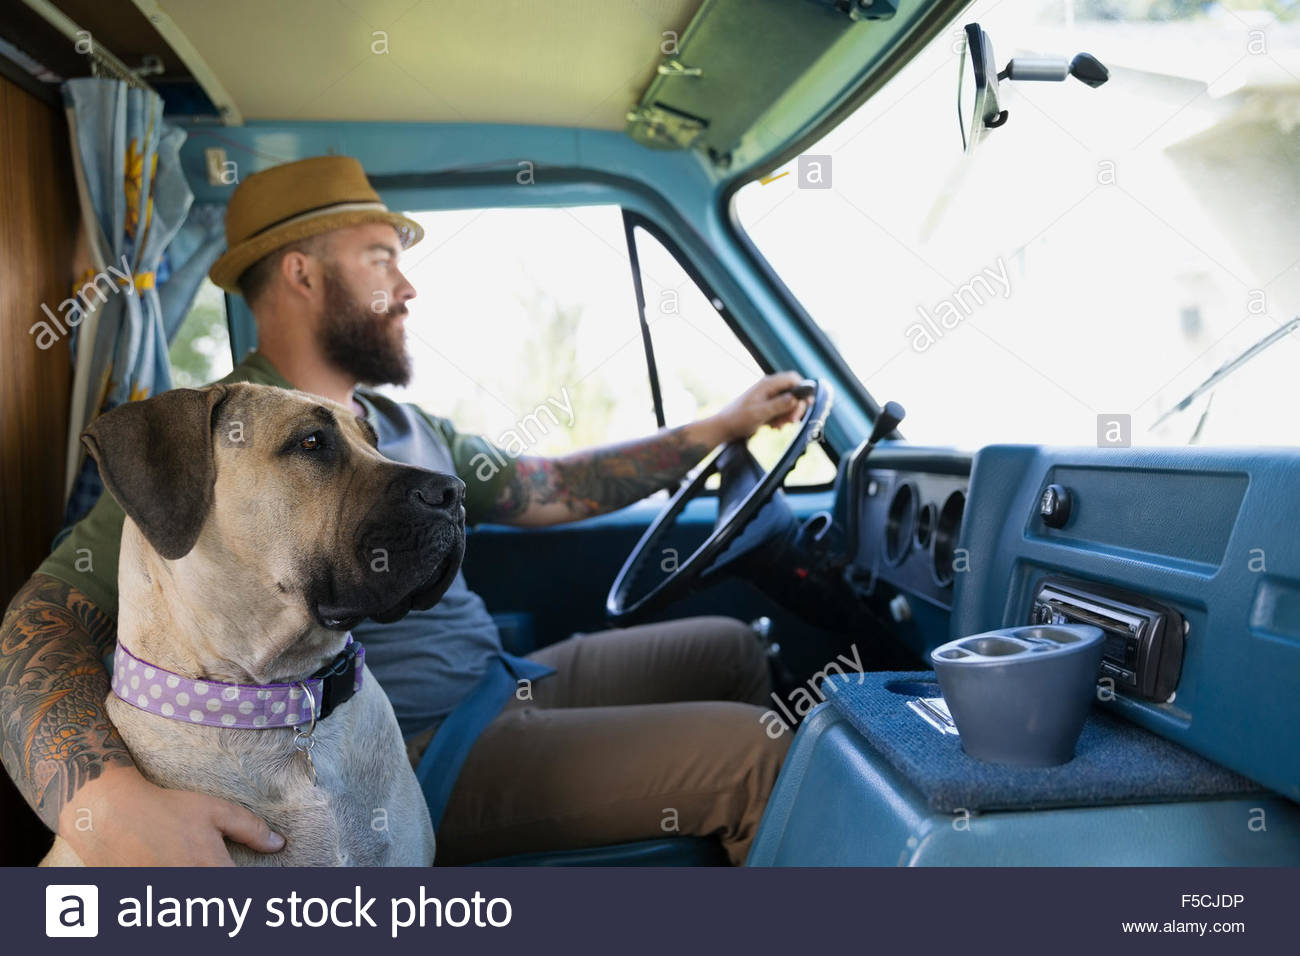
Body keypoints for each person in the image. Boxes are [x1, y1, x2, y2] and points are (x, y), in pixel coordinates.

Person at [0, 156, 805, 866]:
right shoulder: (215, 445)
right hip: (416, 748)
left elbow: (550, 485)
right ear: (302, 275)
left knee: (734, 649)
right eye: (382, 257)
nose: (409, 284)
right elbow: (37, 629)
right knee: (755, 757)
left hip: (501, 681)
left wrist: (717, 428)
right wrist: (105, 806)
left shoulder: (393, 426)